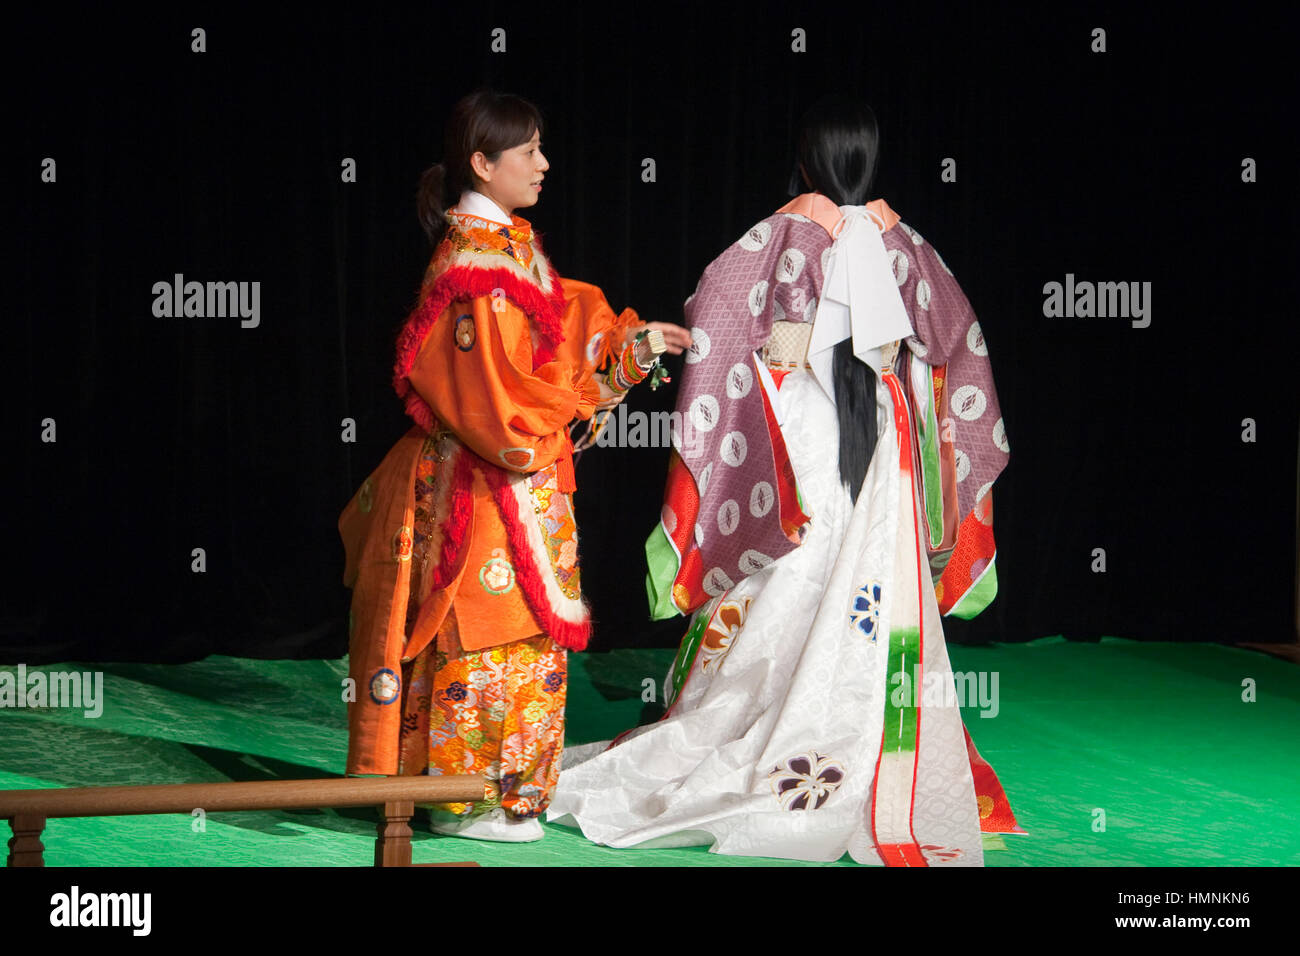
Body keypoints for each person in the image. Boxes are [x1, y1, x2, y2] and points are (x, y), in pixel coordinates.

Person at [549, 96, 1020, 865]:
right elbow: (956, 342)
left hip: (802, 437)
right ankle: (868, 744)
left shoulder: (785, 233)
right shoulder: (908, 245)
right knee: (878, 592)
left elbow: (731, 322)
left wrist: (770, 362)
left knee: (782, 576)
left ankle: (764, 733)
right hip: (885, 442)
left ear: (805, 161)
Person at [337, 90, 690, 843]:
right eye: (527, 150)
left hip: (510, 478)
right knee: (486, 633)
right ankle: (464, 798)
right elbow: (496, 401)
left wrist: (629, 347)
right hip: (484, 479)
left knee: (522, 636)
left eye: (539, 147)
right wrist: (562, 412)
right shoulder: (473, 266)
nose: (543, 163)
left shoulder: (509, 248)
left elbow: (562, 332)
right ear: (481, 163)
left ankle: (502, 793)